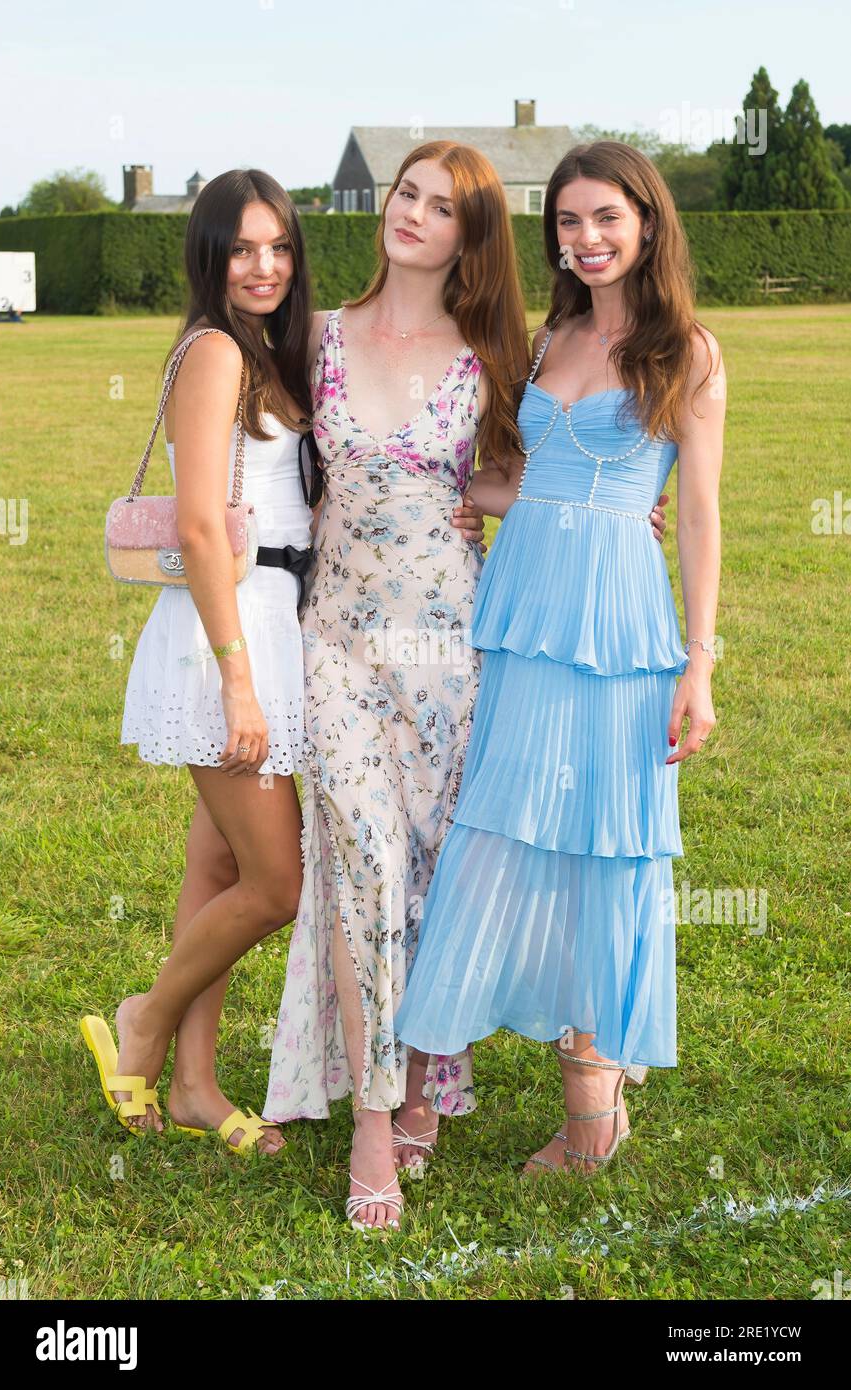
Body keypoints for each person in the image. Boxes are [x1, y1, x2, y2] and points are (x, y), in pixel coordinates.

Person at [260, 142, 672, 1228]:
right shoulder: (314, 339)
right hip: (338, 642)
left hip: (455, 645)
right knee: (361, 865)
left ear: (469, 237)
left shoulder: (500, 354)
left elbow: (523, 473)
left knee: (440, 867)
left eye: (442, 207)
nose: (413, 215)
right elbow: (256, 450)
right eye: (405, 193)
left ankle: (431, 1093)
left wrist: (616, 512)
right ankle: (369, 1121)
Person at [396, 140, 724, 1178]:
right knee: (498, 827)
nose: (585, 240)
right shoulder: (549, 341)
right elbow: (522, 482)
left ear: (646, 222)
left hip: (619, 627)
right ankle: (423, 1083)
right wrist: (454, 492)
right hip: (524, 611)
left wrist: (699, 663)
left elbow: (702, 514)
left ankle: (593, 1105)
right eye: (568, 224)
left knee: (602, 846)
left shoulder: (690, 354)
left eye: (605, 219)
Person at [81, 169, 315, 1154]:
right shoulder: (216, 350)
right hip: (227, 631)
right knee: (278, 883)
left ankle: (192, 1086)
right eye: (241, 248)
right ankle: (144, 1016)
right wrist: (236, 677)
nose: (262, 266)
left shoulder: (262, 346)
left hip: (269, 617)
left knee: (218, 860)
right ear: (210, 256)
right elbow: (197, 527)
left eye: (278, 247)